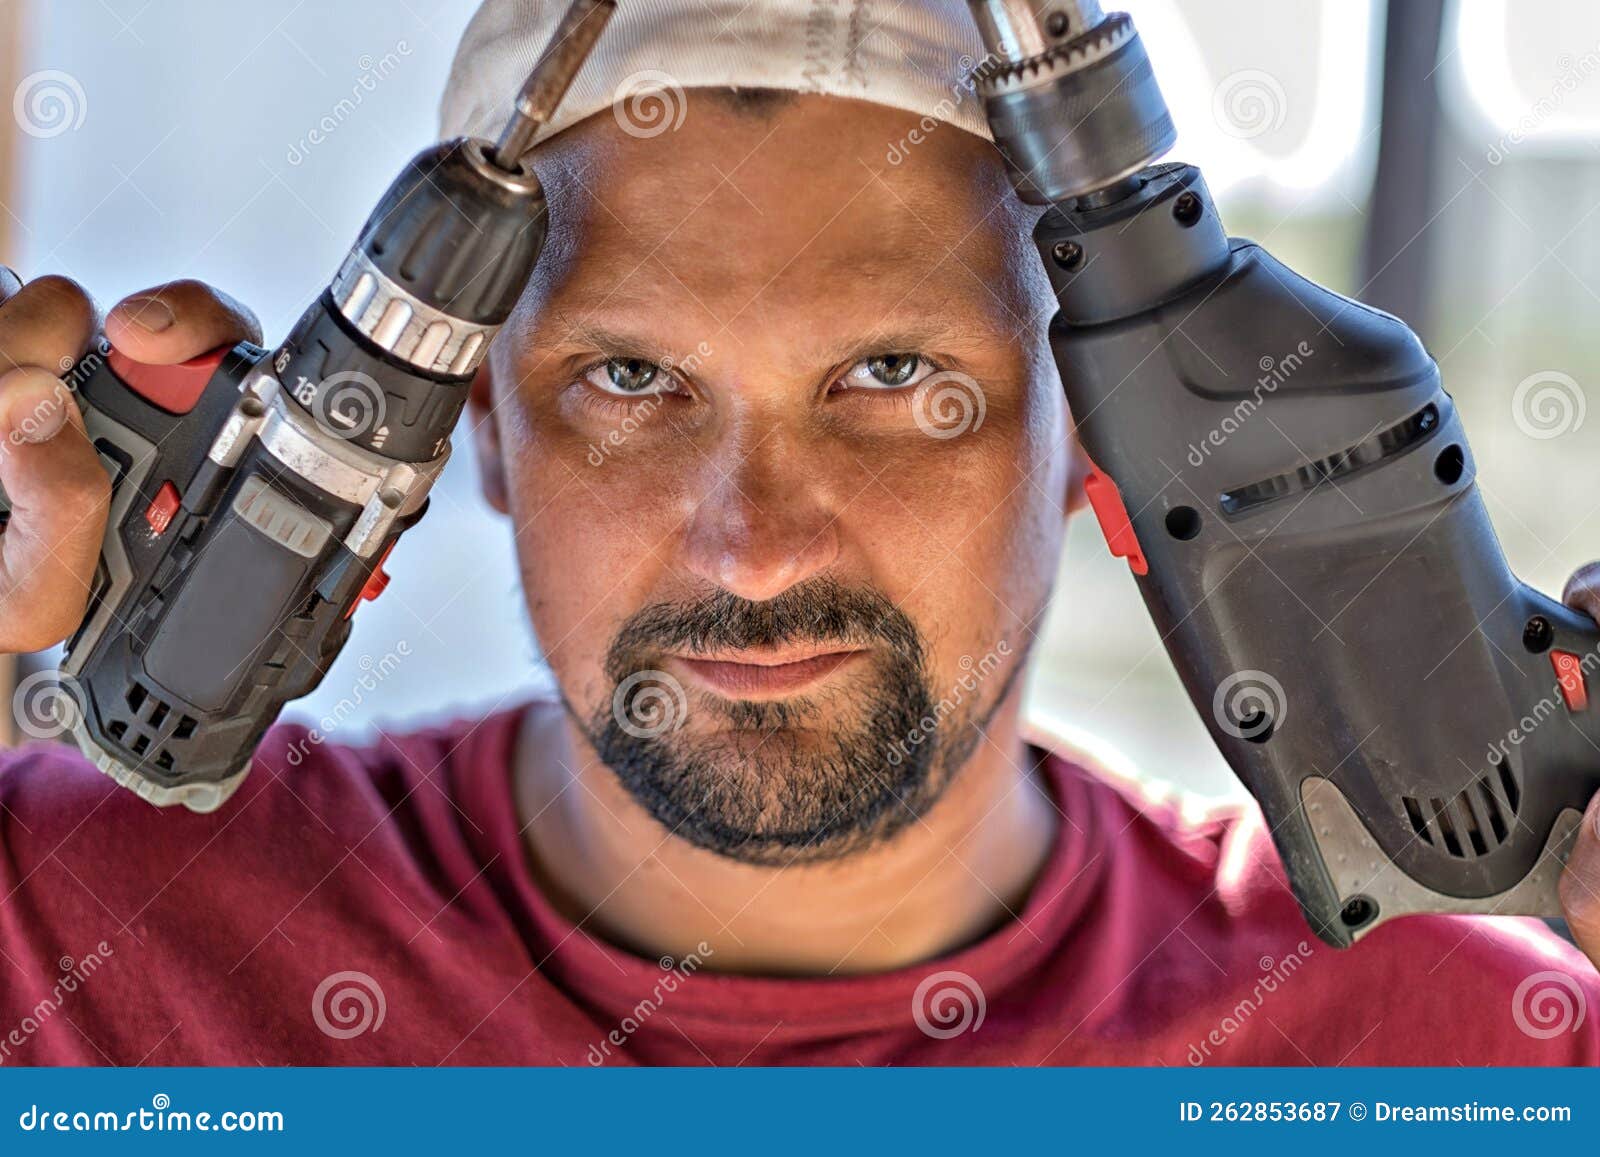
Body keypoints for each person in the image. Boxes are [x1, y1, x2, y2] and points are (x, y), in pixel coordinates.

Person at [0, 0, 1598, 1066]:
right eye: (631, 379)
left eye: (893, 377)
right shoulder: (72, 937)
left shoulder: (1457, 1045)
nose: (751, 545)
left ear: (1092, 434)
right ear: (467, 421)